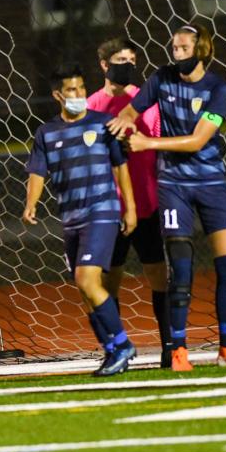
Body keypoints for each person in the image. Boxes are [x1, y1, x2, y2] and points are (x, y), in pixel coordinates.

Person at [109, 23, 226, 371]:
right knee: (180, 268)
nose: (175, 53)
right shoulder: (161, 78)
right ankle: (179, 350)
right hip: (173, 185)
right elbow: (132, 110)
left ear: (201, 50)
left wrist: (147, 143)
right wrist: (124, 120)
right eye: (173, 47)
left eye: (182, 48)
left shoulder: (218, 89)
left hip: (211, 184)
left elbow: (197, 141)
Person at [24, 62, 138, 377]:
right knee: (86, 290)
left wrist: (129, 207)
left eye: (82, 89)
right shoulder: (46, 133)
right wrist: (31, 203)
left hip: (102, 211)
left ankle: (123, 343)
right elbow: (37, 171)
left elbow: (120, 167)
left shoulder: (104, 124)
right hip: (71, 218)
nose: (79, 95)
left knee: (87, 280)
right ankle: (112, 351)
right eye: (72, 90)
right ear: (58, 95)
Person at [87, 37, 172, 368]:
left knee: (158, 275)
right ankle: (115, 349)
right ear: (104, 65)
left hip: (147, 203)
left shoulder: (145, 99)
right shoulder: (91, 105)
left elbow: (159, 141)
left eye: (133, 60)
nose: (129, 66)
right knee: (108, 283)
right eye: (122, 60)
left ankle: (169, 346)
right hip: (108, 208)